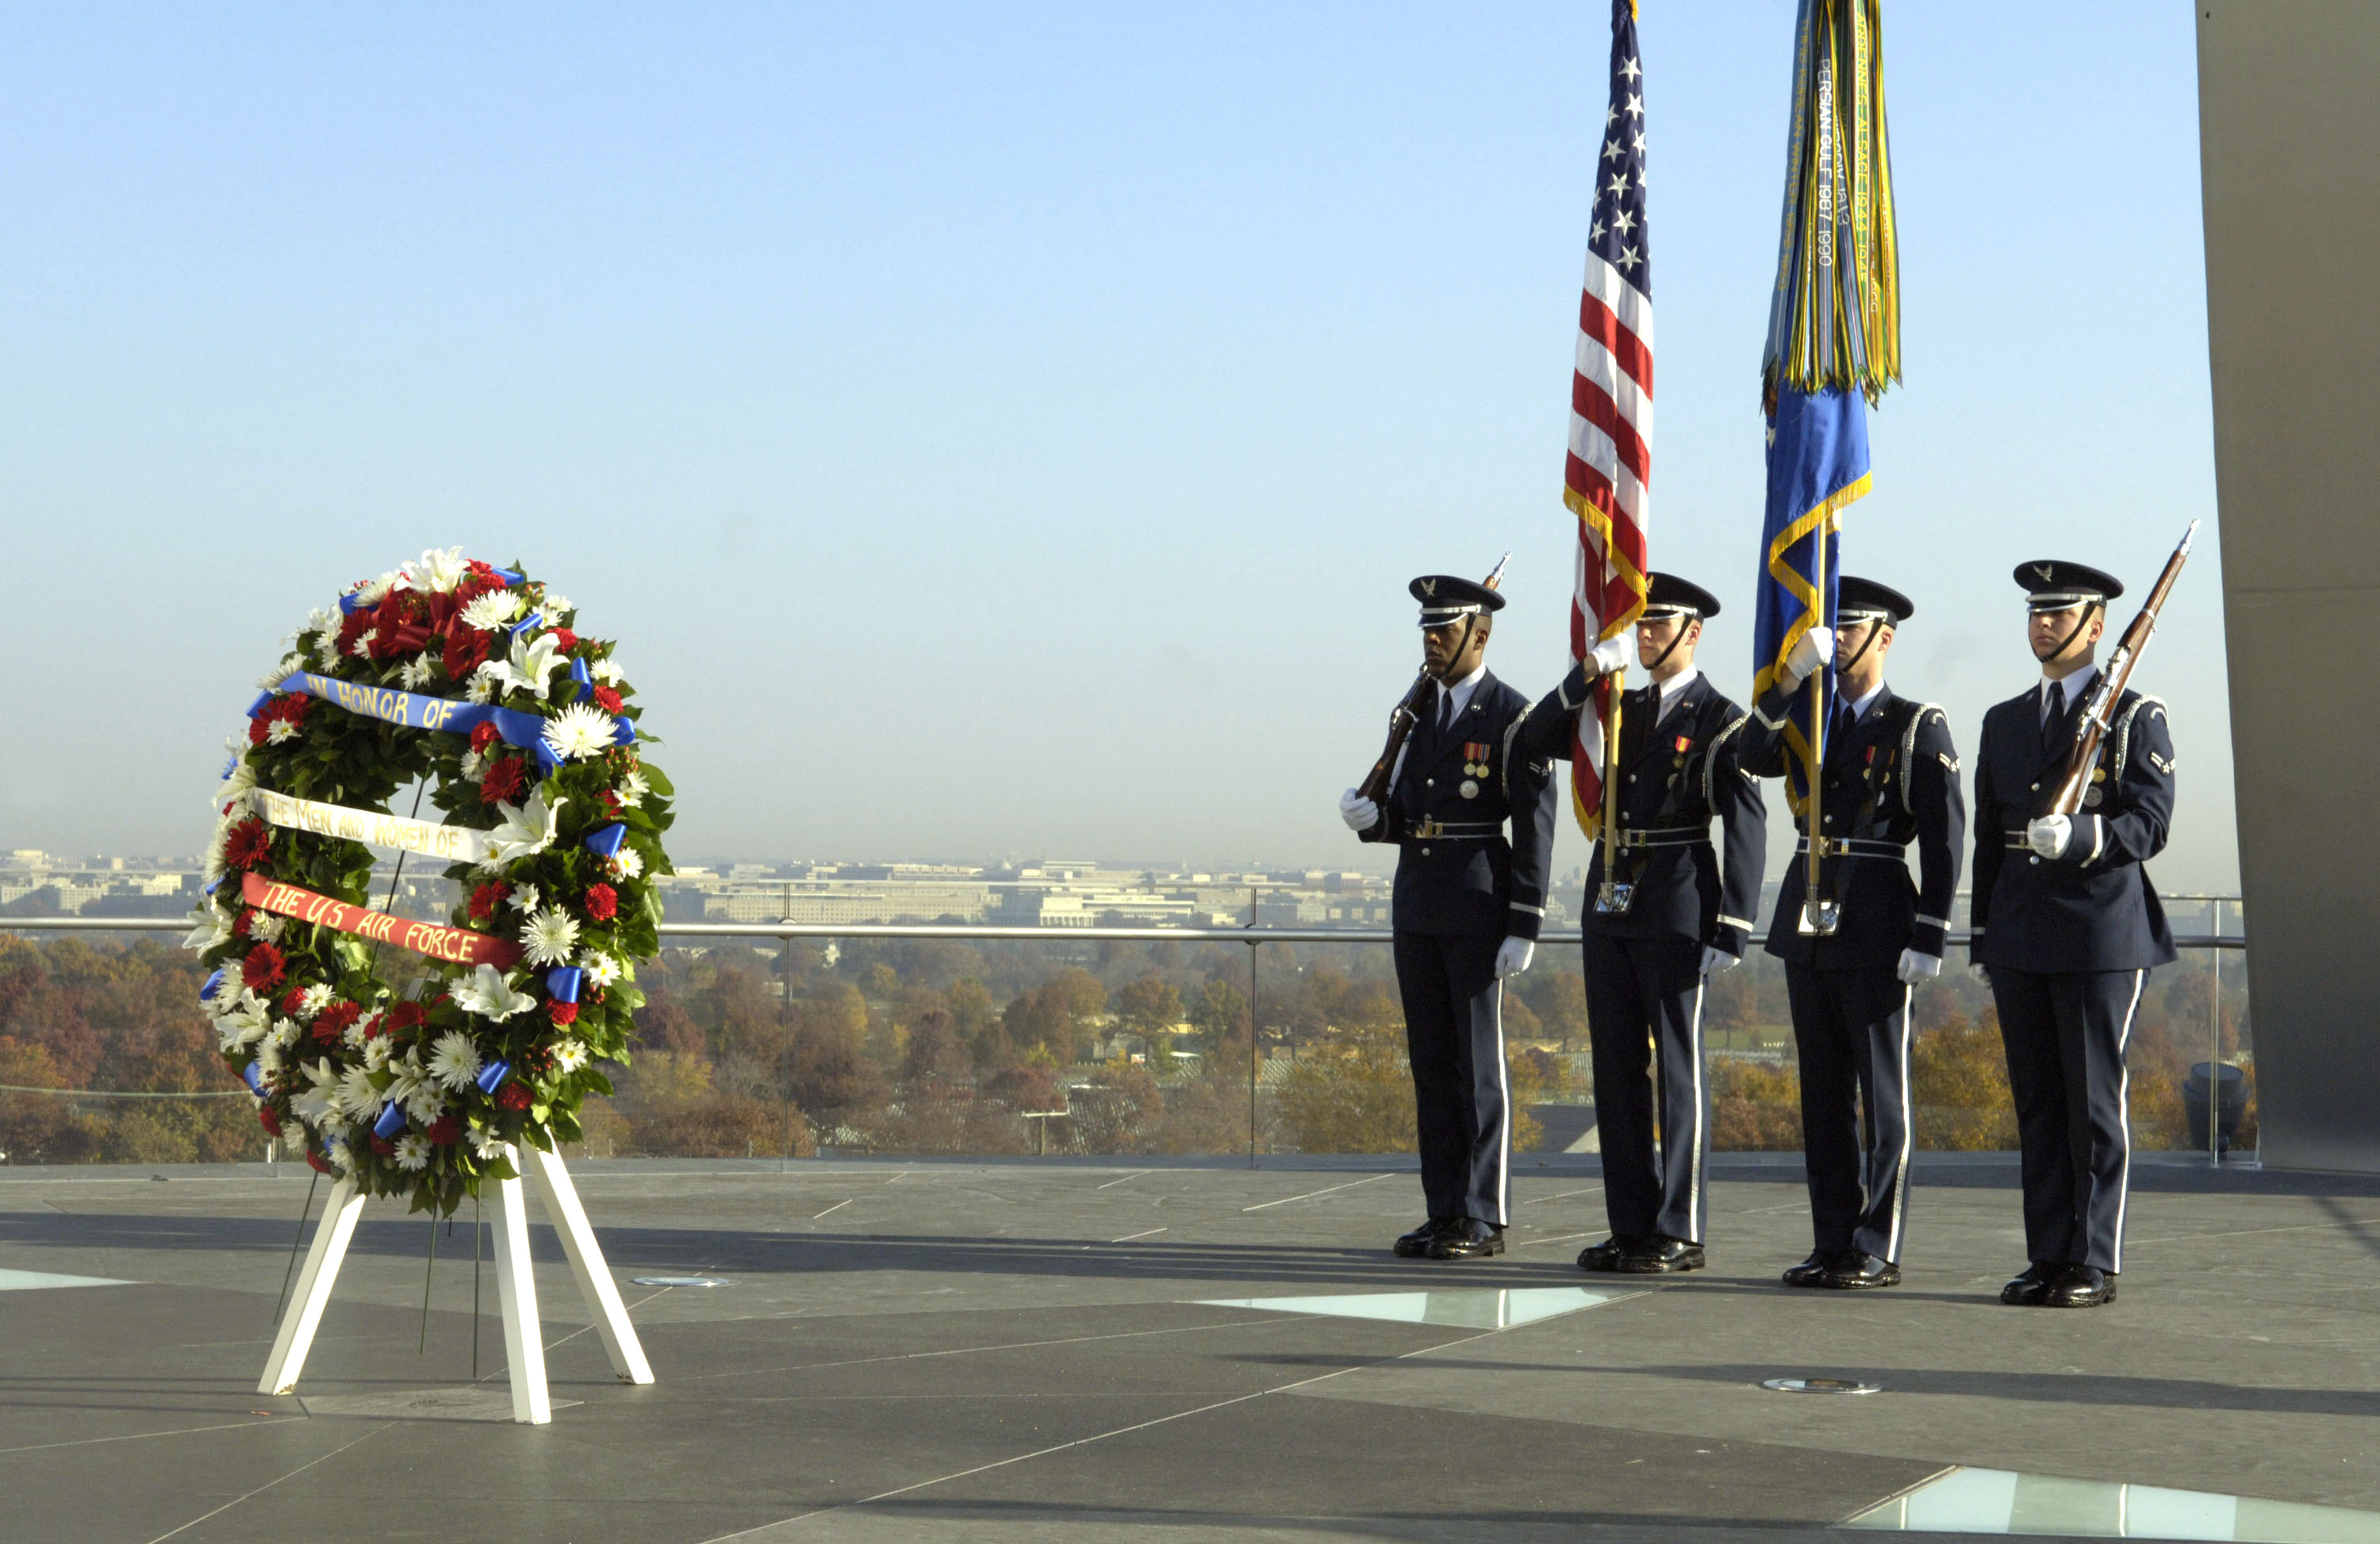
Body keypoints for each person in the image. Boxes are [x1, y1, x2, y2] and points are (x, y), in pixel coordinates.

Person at [1517, 574, 1765, 1274]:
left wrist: (1734, 924)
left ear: (1693, 632)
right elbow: (1534, 737)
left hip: (1679, 901)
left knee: (1678, 1071)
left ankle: (1678, 1229)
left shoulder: (1723, 720)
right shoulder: (1614, 709)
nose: (1646, 634)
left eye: (1660, 624)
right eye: (1640, 623)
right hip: (1610, 897)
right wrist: (1590, 669)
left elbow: (1747, 822)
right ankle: (1630, 1224)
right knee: (1616, 1070)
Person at [1739, 577, 1964, 1290]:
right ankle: (1831, 1239)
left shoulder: (1914, 722)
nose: (1835, 641)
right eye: (1830, 629)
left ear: (1884, 638)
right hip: (1808, 915)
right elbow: (1749, 753)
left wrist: (1930, 932)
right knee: (1823, 1092)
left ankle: (1877, 1242)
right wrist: (1787, 680)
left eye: (1849, 629)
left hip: (1875, 918)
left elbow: (1945, 837)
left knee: (1882, 1091)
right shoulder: (1809, 710)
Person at [1971, 559, 2176, 1309]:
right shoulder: (2005, 720)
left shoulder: (2132, 713)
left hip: (2099, 934)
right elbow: (1990, 842)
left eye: (2060, 614)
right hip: (2022, 933)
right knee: (2038, 1103)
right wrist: (1984, 935)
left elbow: (2150, 822)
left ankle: (2093, 1258)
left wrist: (2085, 835)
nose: (2044, 624)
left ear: (2097, 626)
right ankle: (2048, 1254)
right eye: (2036, 612)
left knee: (2092, 1103)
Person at [1339, 573, 1559, 1260]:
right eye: (1426, 631)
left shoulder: (1513, 716)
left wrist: (1524, 922)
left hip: (1477, 902)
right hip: (1420, 902)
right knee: (1430, 1064)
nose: (1431, 641)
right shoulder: (1416, 712)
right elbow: (1407, 813)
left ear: (1479, 633)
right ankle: (1443, 1208)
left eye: (1443, 630)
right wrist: (1372, 822)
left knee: (1477, 1065)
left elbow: (1535, 825)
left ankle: (1483, 1214)